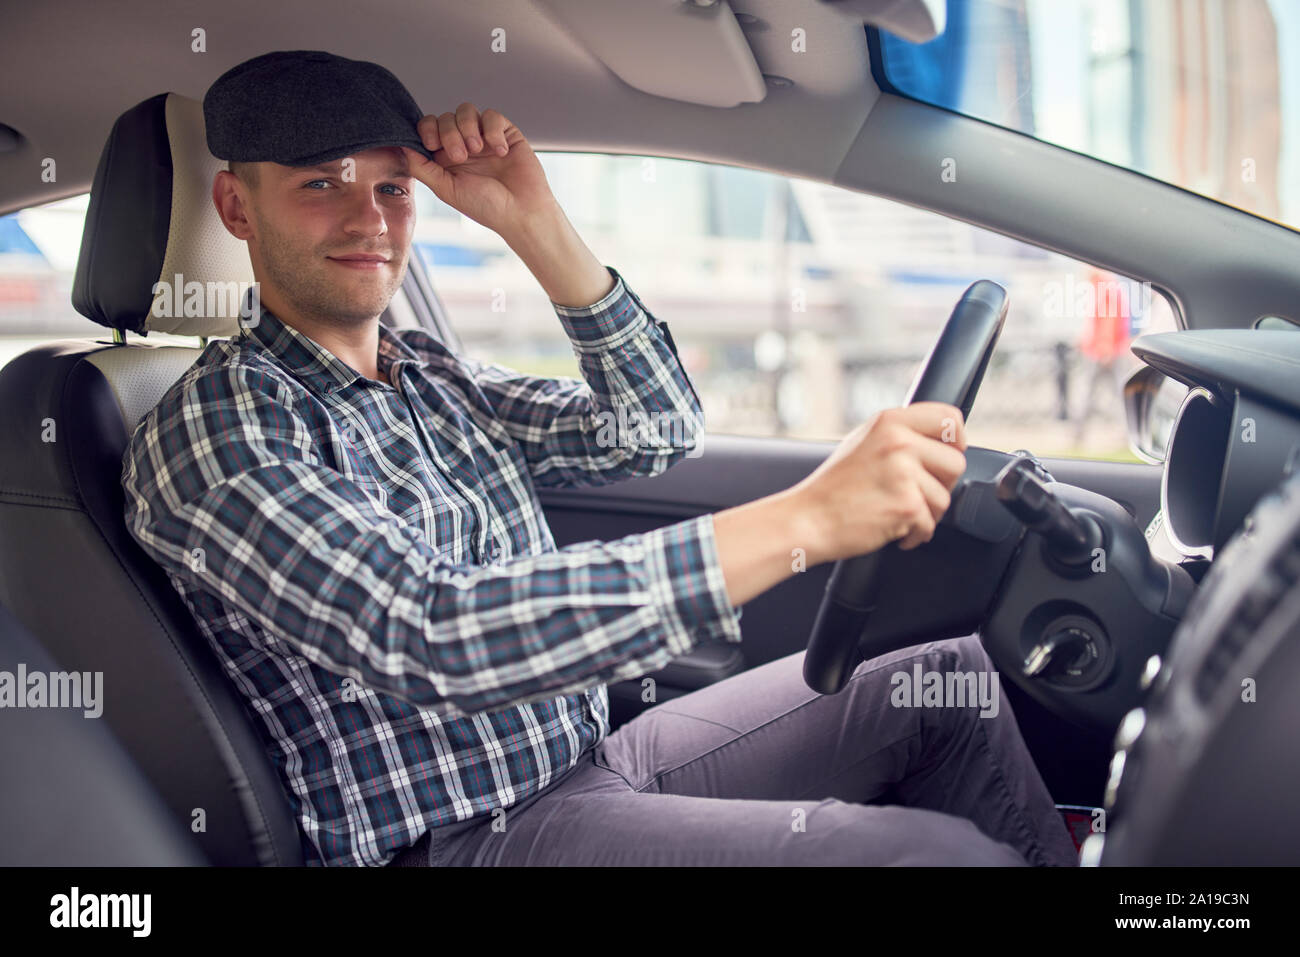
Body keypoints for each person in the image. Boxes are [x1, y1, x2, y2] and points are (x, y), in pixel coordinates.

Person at [122, 50, 1078, 867]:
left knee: (944, 684)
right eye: (321, 182)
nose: (370, 219)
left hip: (589, 759)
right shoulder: (216, 433)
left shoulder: (431, 377)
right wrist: (810, 517)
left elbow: (656, 427)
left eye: (391, 186)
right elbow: (427, 630)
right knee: (930, 860)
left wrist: (534, 221)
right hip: (468, 840)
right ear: (236, 209)